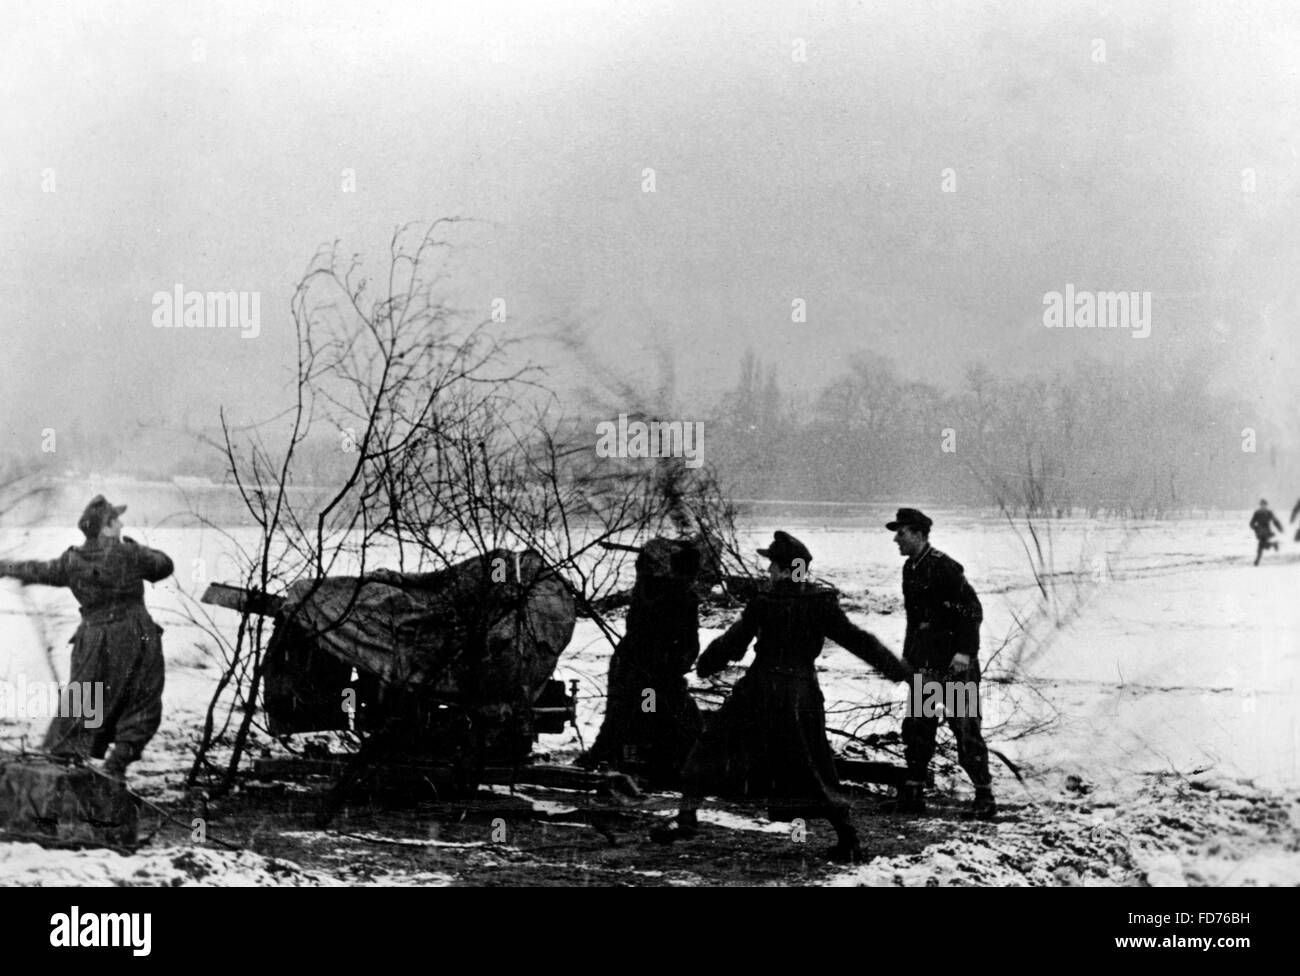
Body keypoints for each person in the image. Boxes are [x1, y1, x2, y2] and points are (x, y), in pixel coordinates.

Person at [650, 531, 911, 863]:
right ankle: (849, 838)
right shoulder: (821, 603)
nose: (769, 571)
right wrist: (897, 670)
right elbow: (858, 640)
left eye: (772, 565)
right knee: (814, 765)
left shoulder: (765, 601)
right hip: (801, 693)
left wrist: (706, 663)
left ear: (786, 568)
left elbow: (734, 640)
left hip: (759, 689)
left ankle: (686, 816)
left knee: (711, 746)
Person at [0, 495, 173, 779]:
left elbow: (39, 570)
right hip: (134, 636)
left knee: (85, 699)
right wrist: (133, 547)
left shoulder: (72, 560)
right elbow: (164, 566)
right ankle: (116, 766)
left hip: (91, 640)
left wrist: (6, 567)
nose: (122, 524)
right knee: (141, 700)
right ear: (105, 528)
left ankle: (64, 764)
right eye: (116, 520)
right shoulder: (129, 554)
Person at [886, 508, 995, 819]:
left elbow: (972, 610)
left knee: (965, 730)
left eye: (902, 532)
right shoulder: (911, 569)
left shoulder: (944, 568)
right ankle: (914, 792)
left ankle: (984, 796)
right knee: (918, 729)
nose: (896, 539)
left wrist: (965, 651)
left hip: (954, 668)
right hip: (925, 665)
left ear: (920, 535)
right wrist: (908, 658)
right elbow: (914, 620)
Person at [578, 538, 705, 787]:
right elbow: (689, 644)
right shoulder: (683, 599)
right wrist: (677, 666)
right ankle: (646, 769)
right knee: (658, 720)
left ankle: (614, 758)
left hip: (632, 666)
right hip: (654, 675)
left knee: (626, 716)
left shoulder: (649, 588)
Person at [1249, 499, 1283, 566]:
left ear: (1266, 505)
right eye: (1262, 505)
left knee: (1261, 545)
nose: (1263, 506)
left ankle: (1257, 560)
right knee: (1263, 545)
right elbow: (1251, 523)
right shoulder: (1257, 513)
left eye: (1264, 505)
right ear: (1260, 505)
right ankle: (1274, 544)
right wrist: (1254, 527)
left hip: (1267, 531)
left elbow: (1275, 521)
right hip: (1260, 531)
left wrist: (1280, 528)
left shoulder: (1269, 512)